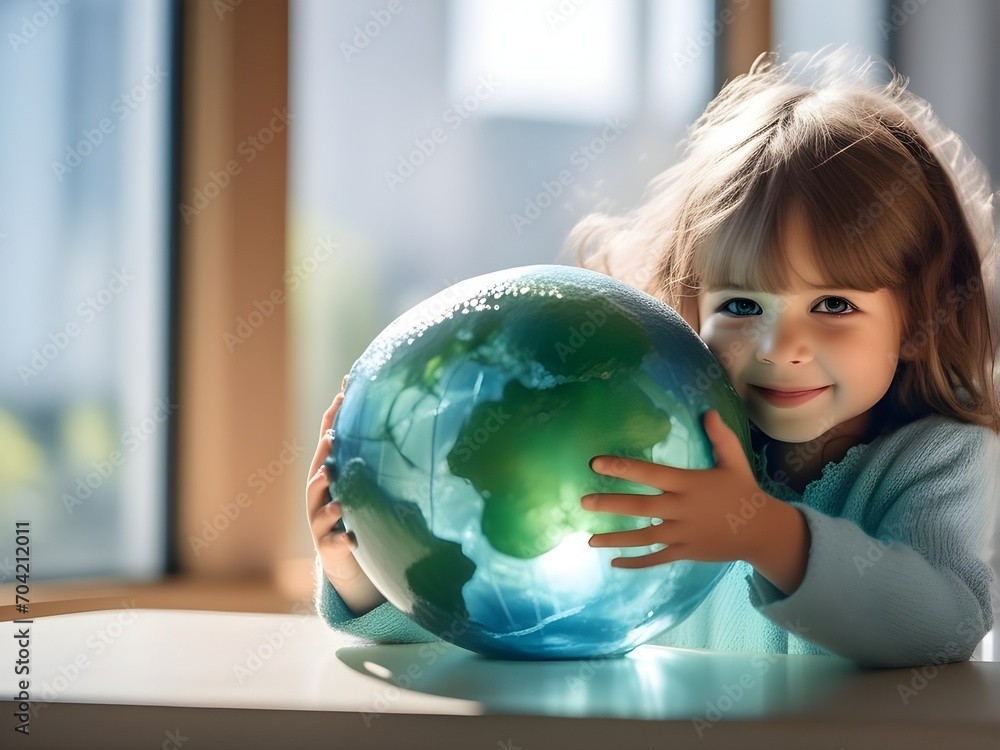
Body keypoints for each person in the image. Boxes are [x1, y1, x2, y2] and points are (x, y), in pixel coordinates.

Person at [306, 48, 1000, 668]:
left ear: (918, 319)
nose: (780, 348)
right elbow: (516, 618)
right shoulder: (659, 439)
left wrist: (765, 533)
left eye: (835, 306)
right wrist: (363, 571)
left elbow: (941, 628)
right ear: (692, 306)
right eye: (742, 307)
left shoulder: (942, 461)